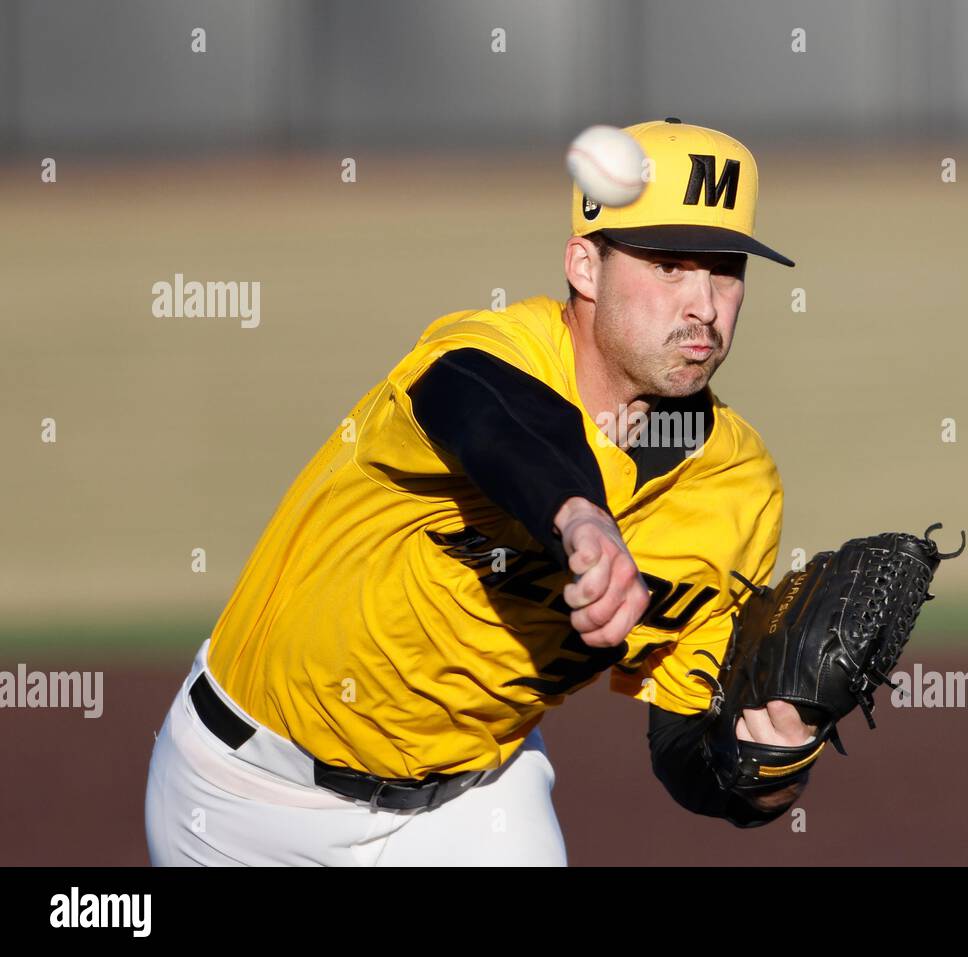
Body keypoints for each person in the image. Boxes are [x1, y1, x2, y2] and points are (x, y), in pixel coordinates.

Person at [144, 118, 810, 867]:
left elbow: (682, 741)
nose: (705, 305)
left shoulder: (737, 488)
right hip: (242, 797)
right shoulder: (486, 357)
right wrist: (579, 514)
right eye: (668, 265)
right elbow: (485, 412)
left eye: (724, 270)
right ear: (584, 268)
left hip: (470, 807)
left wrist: (768, 765)